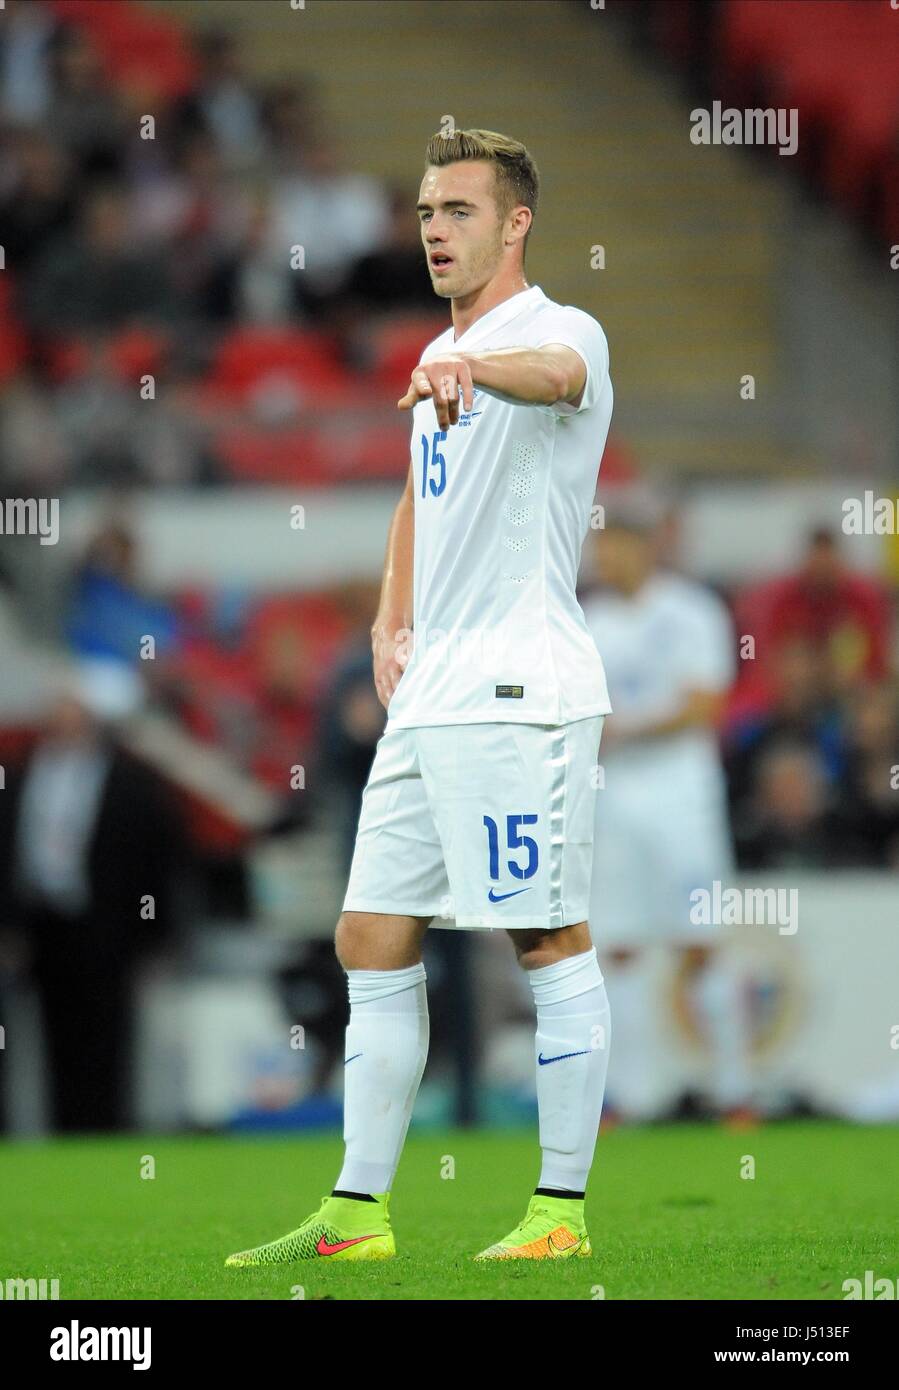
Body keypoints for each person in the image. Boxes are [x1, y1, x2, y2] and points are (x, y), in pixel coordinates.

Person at [226, 128, 614, 1267]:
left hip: (518, 685)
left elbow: (558, 380)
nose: (434, 229)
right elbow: (415, 499)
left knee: (543, 934)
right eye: (425, 211)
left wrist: (476, 367)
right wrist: (389, 615)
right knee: (367, 933)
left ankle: (558, 1214)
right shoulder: (437, 355)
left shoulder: (552, 331)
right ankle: (356, 1217)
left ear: (514, 223)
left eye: (456, 209)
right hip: (435, 686)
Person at [581, 494, 753, 1122]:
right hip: (613, 799)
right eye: (601, 544)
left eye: (618, 542)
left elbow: (706, 703)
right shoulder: (589, 618)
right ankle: (627, 1096)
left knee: (700, 941)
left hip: (684, 798)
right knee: (618, 945)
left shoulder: (692, 612)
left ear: (647, 547)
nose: (607, 555)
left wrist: (624, 728)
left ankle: (735, 1089)